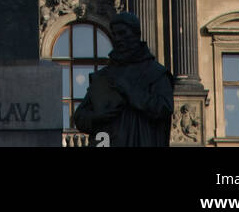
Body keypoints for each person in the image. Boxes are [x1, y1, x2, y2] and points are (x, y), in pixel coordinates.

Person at [73, 12, 173, 147]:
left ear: (136, 34)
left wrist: (130, 91)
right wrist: (98, 117)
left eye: (122, 33)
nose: (118, 39)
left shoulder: (155, 72)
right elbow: (80, 117)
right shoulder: (104, 75)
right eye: (114, 34)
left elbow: (164, 107)